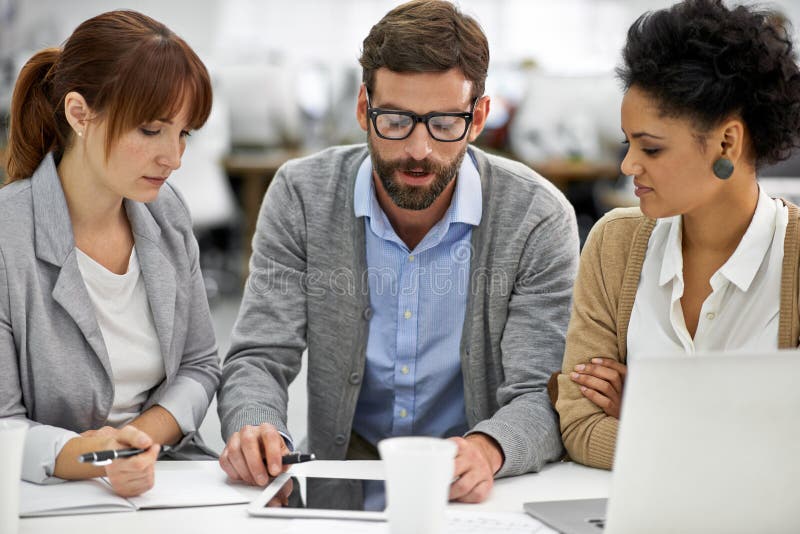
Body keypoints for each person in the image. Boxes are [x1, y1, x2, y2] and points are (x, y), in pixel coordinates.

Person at [217, 0, 579, 506]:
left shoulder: (536, 217)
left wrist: (488, 448)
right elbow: (260, 355)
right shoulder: (302, 195)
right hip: (340, 485)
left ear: (478, 118)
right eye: (396, 120)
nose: (418, 150)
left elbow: (542, 394)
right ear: (364, 108)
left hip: (475, 494)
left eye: (444, 122)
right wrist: (258, 427)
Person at [555, 0, 800, 469]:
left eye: (651, 147)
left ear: (727, 142)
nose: (628, 165)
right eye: (629, 144)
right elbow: (581, 425)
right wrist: (736, 436)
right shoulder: (615, 244)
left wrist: (649, 414)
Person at [0, 10, 220, 496]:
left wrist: (140, 442)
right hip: (47, 494)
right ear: (80, 114)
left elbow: (200, 365)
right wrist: (96, 459)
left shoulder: (167, 214)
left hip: (165, 477)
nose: (174, 157)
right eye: (150, 130)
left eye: (184, 133)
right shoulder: (8, 236)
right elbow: (4, 425)